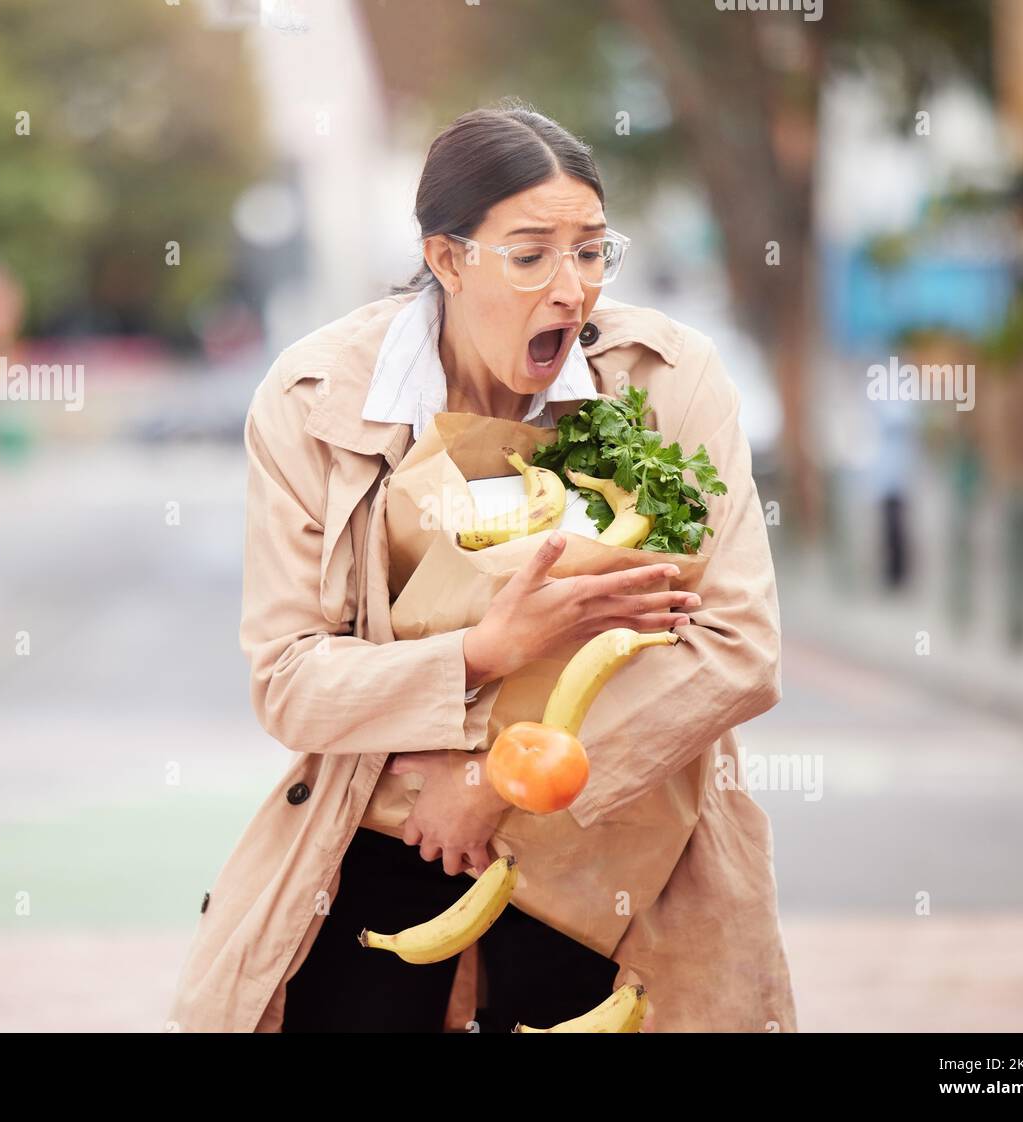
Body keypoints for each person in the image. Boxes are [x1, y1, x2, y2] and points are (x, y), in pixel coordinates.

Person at [168, 103, 797, 1033]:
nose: (570, 289)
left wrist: (496, 783)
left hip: (619, 849)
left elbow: (737, 647)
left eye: (590, 251)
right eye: (532, 253)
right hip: (388, 832)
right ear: (448, 259)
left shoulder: (669, 381)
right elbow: (292, 681)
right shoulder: (315, 400)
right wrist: (485, 650)